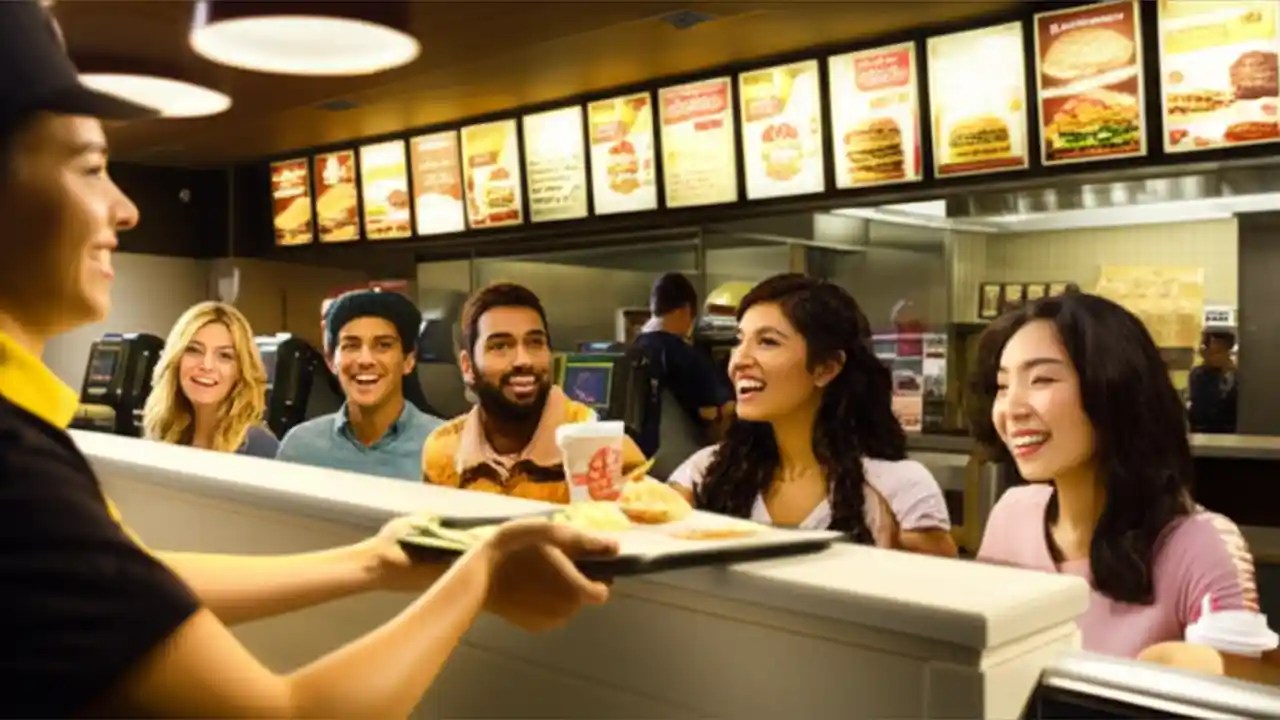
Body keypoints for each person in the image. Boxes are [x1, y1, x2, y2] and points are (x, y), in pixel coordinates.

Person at [0, 3, 615, 716]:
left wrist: (370, 562)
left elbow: (129, 587)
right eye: (91, 167)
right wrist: (479, 576)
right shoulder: (18, 475)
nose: (125, 208)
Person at [971, 292, 1259, 659]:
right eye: (1002, 386)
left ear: (1114, 388)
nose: (1011, 408)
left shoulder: (1198, 544)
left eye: (1041, 379)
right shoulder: (1012, 515)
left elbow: (1245, 688)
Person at [668, 274, 956, 557]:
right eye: (739, 340)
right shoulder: (706, 472)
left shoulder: (896, 488)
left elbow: (944, 594)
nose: (739, 360)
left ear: (826, 368)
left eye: (768, 342)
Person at [423, 282, 647, 501]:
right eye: (500, 346)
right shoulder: (444, 452)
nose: (523, 361)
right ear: (467, 366)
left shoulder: (600, 449)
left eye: (535, 343)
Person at [277, 289, 443, 480]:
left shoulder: (445, 446)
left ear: (408, 361)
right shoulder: (300, 447)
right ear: (331, 361)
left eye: (383, 345)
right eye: (351, 346)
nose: (365, 360)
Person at [142, 301, 278, 458]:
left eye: (225, 356)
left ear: (241, 371)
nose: (207, 365)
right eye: (194, 350)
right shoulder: (163, 433)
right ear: (176, 360)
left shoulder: (257, 445)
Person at [631, 272, 734, 457]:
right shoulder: (680, 352)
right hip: (680, 459)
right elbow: (715, 409)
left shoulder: (634, 347)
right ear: (686, 310)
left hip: (640, 455)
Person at [1187, 328, 1238, 434]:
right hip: (1204, 433)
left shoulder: (1238, 376)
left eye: (1221, 351)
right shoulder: (1199, 375)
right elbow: (1202, 407)